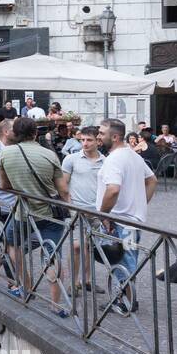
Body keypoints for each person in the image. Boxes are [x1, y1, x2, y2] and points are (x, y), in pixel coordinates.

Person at [0, 116, 70, 315]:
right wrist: (72, 211)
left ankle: (27, 286)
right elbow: (62, 190)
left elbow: (4, 186)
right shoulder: (49, 155)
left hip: (23, 213)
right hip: (50, 213)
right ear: (35, 133)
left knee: (12, 243)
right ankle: (56, 304)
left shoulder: (5, 154)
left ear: (14, 133)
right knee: (52, 256)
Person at [97, 118, 157, 315]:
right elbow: (152, 180)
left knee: (124, 261)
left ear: (114, 137)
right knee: (124, 259)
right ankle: (124, 298)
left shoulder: (114, 159)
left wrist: (103, 214)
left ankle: (127, 302)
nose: (98, 136)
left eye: (101, 133)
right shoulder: (132, 155)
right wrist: (140, 204)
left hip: (121, 221)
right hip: (130, 219)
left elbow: (113, 190)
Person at [62, 126, 105, 293]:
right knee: (76, 246)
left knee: (91, 247)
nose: (85, 143)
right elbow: (63, 185)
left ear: (98, 142)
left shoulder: (105, 161)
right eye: (82, 140)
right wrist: (70, 205)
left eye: (89, 140)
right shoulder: (71, 159)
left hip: (97, 211)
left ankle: (87, 280)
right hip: (76, 210)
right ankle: (73, 283)